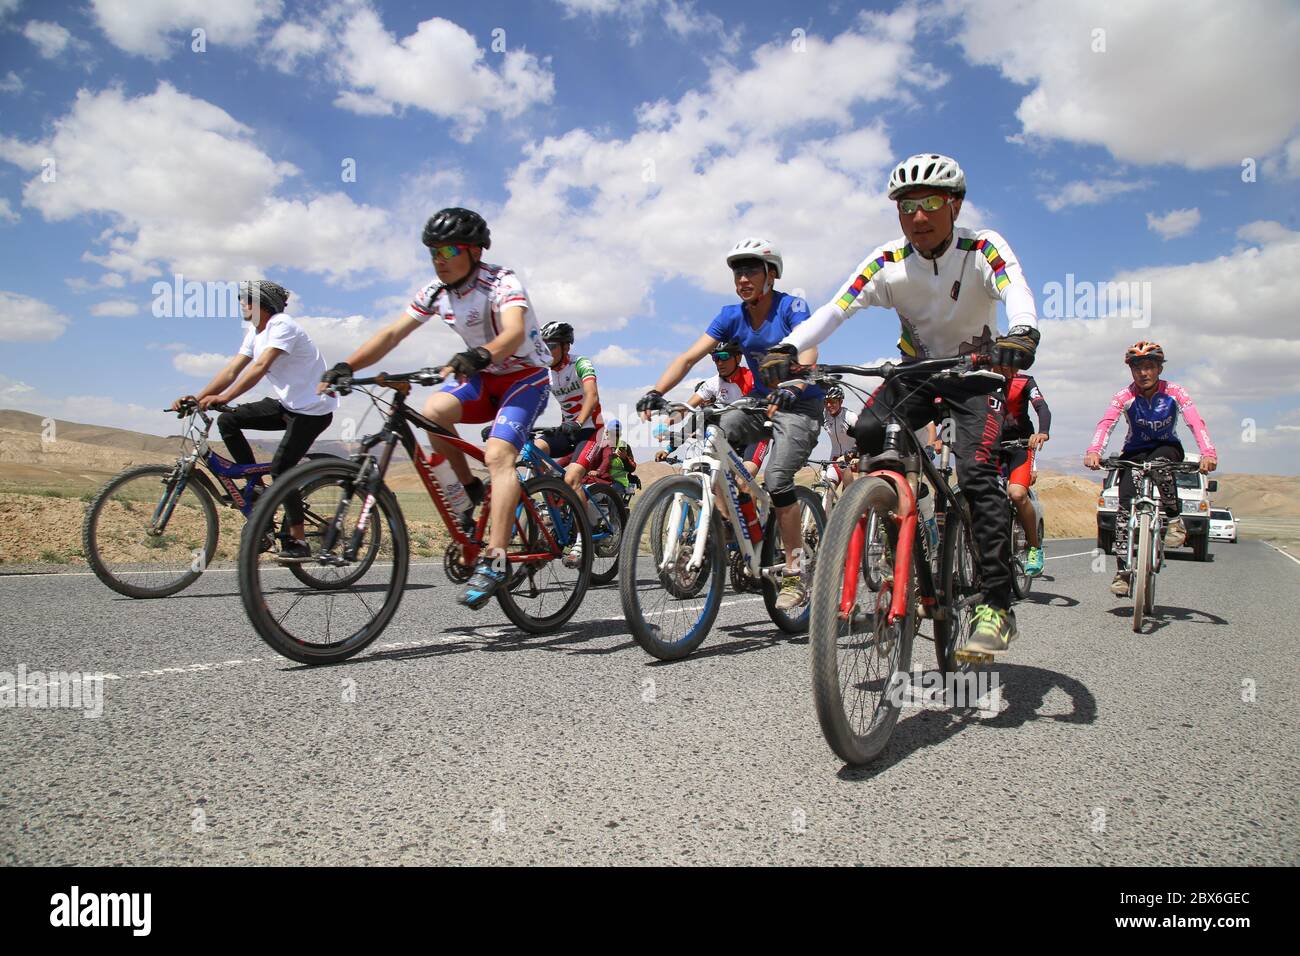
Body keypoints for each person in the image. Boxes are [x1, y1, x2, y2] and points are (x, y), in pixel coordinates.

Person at [767, 153, 1041, 654]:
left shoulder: (983, 247)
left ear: (955, 205)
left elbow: (1014, 288)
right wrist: (790, 346)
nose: (918, 215)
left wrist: (1022, 331)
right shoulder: (887, 261)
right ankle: (900, 539)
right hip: (916, 373)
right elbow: (837, 307)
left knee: (978, 475)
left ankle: (996, 605)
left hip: (976, 376)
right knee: (870, 432)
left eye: (931, 202)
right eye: (907, 205)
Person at [320, 207, 551, 609]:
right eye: (433, 252)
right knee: (432, 411)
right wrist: (348, 365)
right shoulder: (435, 291)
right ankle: (468, 489)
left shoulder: (501, 280)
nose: (439, 260)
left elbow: (513, 333)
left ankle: (495, 559)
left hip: (522, 376)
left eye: (448, 250)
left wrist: (481, 354)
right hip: (482, 376)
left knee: (499, 455)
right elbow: (393, 332)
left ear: (475, 250)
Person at [637, 239, 821, 612]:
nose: (742, 278)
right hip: (758, 405)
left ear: (772, 274)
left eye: (751, 270)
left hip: (798, 405)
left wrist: (794, 383)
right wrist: (657, 390)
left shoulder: (792, 306)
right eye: (737, 271)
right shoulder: (730, 315)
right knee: (713, 432)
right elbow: (689, 357)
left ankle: (795, 571)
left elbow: (808, 349)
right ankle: (732, 519)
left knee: (780, 479)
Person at [172, 280, 336, 561]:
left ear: (264, 303)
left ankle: (298, 540)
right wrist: (199, 399)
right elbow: (233, 369)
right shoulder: (255, 332)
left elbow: (261, 367)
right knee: (229, 422)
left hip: (313, 410)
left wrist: (225, 396)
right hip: (288, 405)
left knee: (283, 468)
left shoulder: (283, 325)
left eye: (247, 299)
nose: (242, 304)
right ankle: (258, 488)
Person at [1083, 341, 1217, 597]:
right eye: (1137, 368)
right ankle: (1123, 572)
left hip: (1167, 447)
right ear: (1131, 371)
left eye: (1149, 367)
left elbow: (1195, 423)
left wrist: (1208, 453)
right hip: (1135, 451)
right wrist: (1094, 451)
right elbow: (1106, 424)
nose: (1143, 373)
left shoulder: (1176, 392)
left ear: (1159, 369)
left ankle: (1175, 521)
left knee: (1160, 464)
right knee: (1124, 506)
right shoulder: (1123, 396)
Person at [654, 340, 768, 478]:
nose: (719, 362)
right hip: (732, 438)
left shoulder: (752, 378)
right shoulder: (713, 383)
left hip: (755, 436)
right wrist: (665, 424)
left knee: (744, 479)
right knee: (719, 482)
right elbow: (687, 408)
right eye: (716, 358)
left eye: (724, 356)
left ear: (738, 357)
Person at [534, 322, 606, 494]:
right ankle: (555, 489)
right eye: (542, 345)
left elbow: (592, 395)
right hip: (567, 431)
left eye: (550, 346)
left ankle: (588, 522)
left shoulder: (580, 363)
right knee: (534, 452)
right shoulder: (545, 373)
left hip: (591, 430)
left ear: (566, 347)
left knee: (572, 479)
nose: (545, 350)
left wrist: (579, 422)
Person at [993, 365, 1051, 576]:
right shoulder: (983, 382)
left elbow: (1042, 407)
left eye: (1010, 363)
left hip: (1020, 445)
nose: (1004, 368)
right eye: (999, 363)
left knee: (1017, 494)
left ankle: (1035, 547)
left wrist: (1043, 432)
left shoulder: (1025, 381)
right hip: (992, 447)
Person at [822, 384, 859, 494]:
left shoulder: (850, 417)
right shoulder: (825, 415)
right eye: (826, 402)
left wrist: (854, 452)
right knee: (827, 490)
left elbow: (864, 436)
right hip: (835, 457)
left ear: (841, 402)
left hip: (854, 458)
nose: (829, 405)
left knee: (848, 494)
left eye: (833, 401)